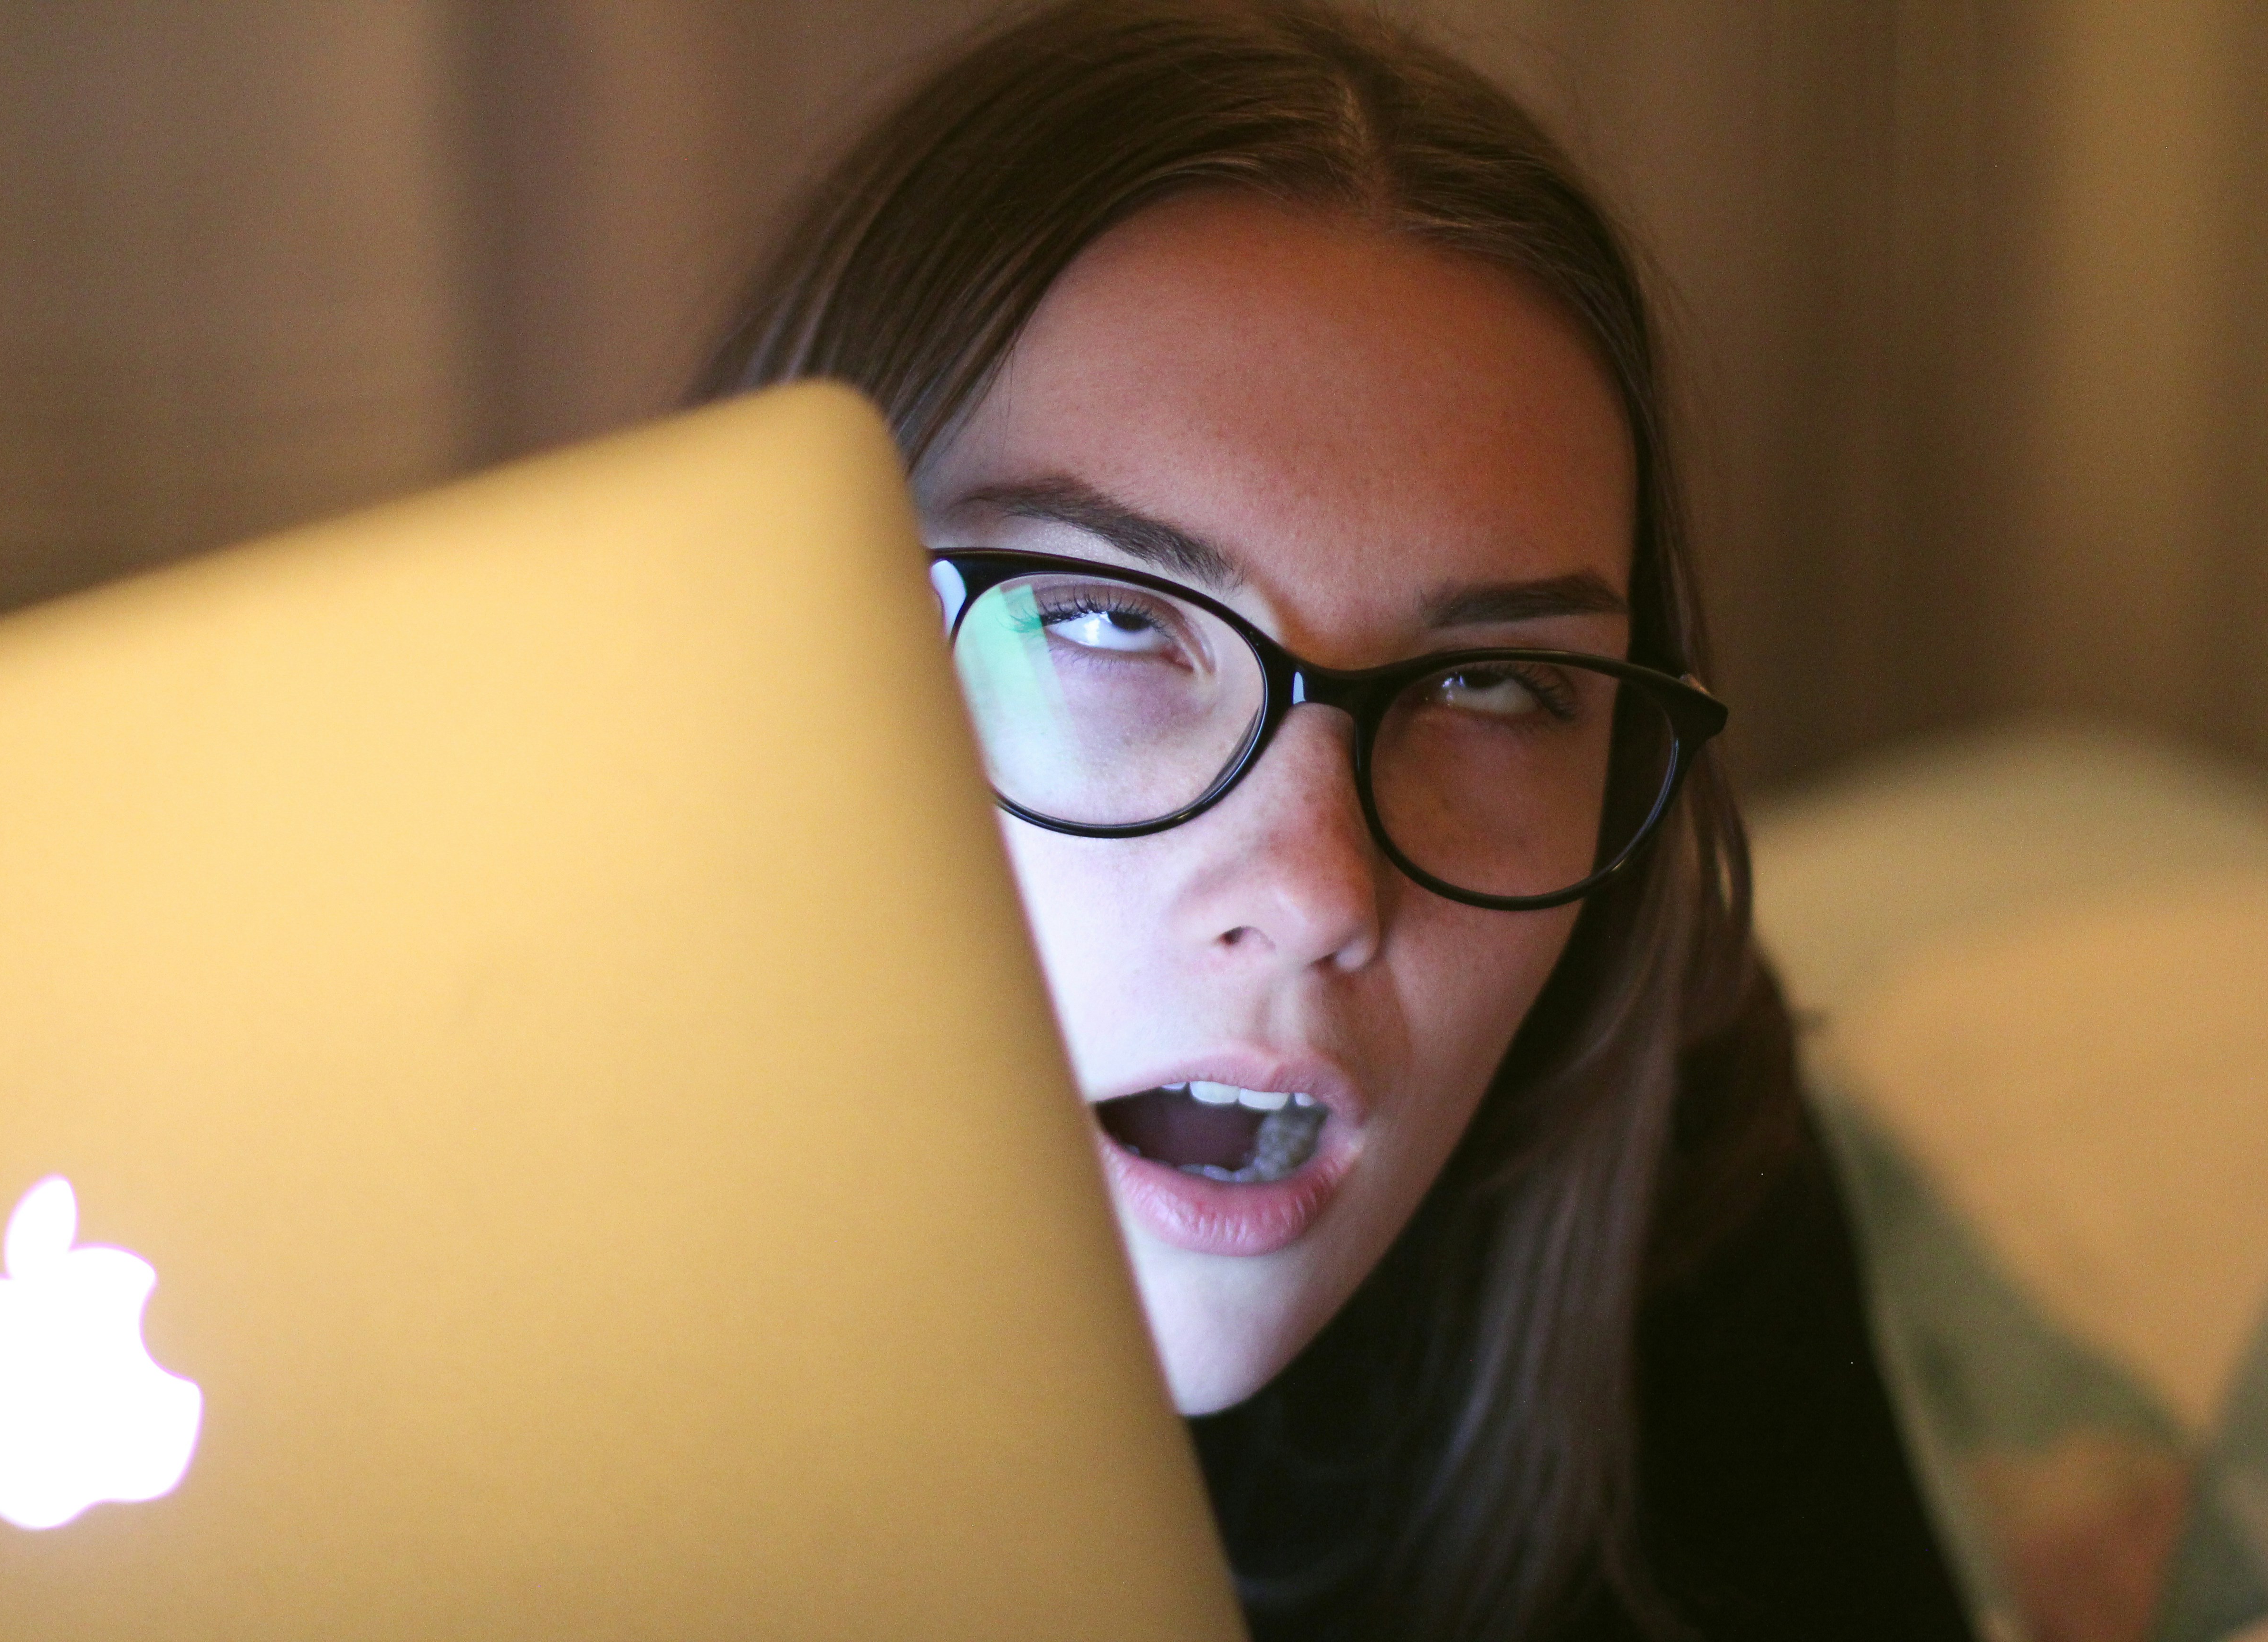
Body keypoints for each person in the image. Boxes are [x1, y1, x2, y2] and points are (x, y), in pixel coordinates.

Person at [692, 4, 1973, 1638]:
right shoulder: (417, 1262)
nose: (1315, 888)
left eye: (1498, 687)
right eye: (1104, 621)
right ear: (766, 628)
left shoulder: (1671, 1159)